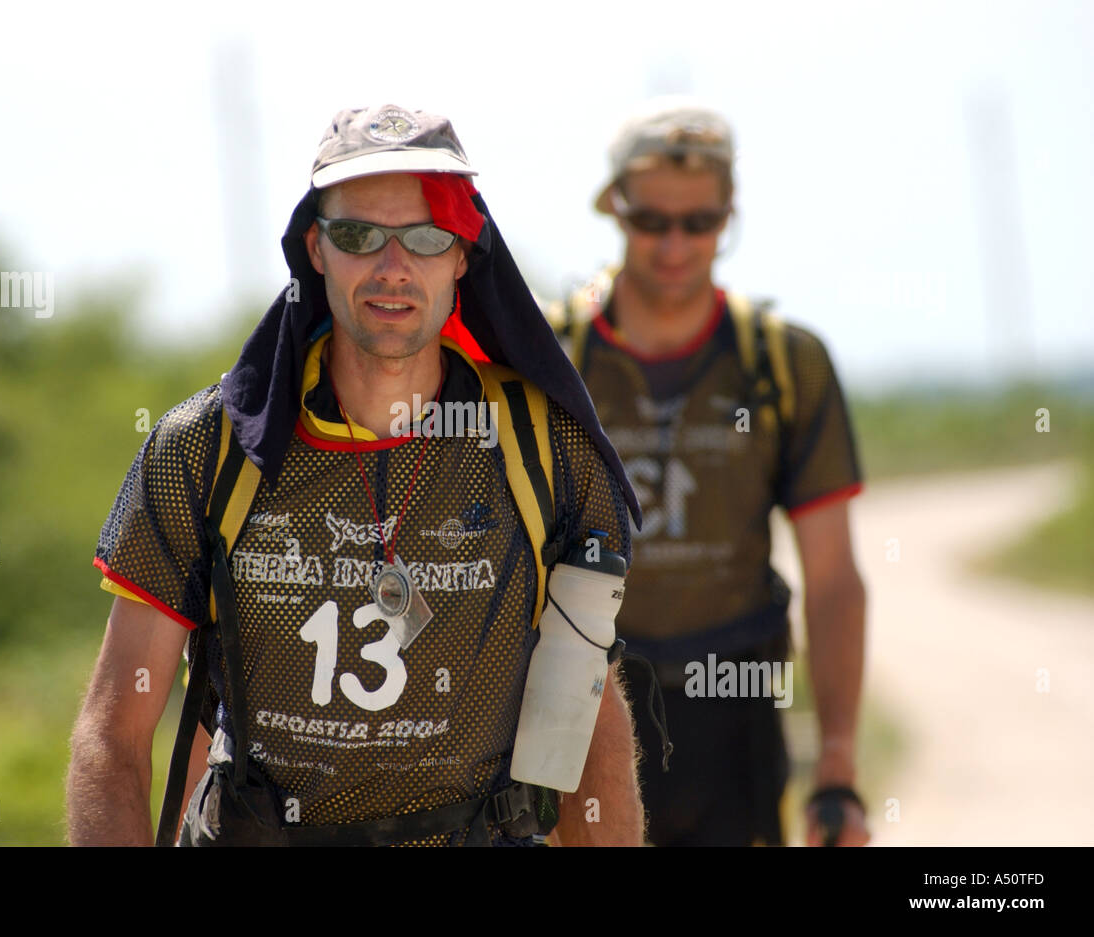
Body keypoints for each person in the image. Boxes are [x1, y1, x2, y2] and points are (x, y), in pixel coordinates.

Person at [65, 104, 647, 846]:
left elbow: (585, 711)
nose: (392, 267)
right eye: (357, 235)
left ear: (465, 252)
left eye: (427, 236)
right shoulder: (204, 448)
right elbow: (114, 734)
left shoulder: (545, 446)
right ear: (315, 247)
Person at [549, 98, 869, 846]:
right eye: (651, 221)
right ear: (614, 210)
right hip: (585, 706)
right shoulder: (554, 357)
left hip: (733, 713)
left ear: (729, 217)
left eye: (699, 222)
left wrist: (840, 766)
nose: (674, 244)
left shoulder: (785, 364)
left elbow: (833, 578)